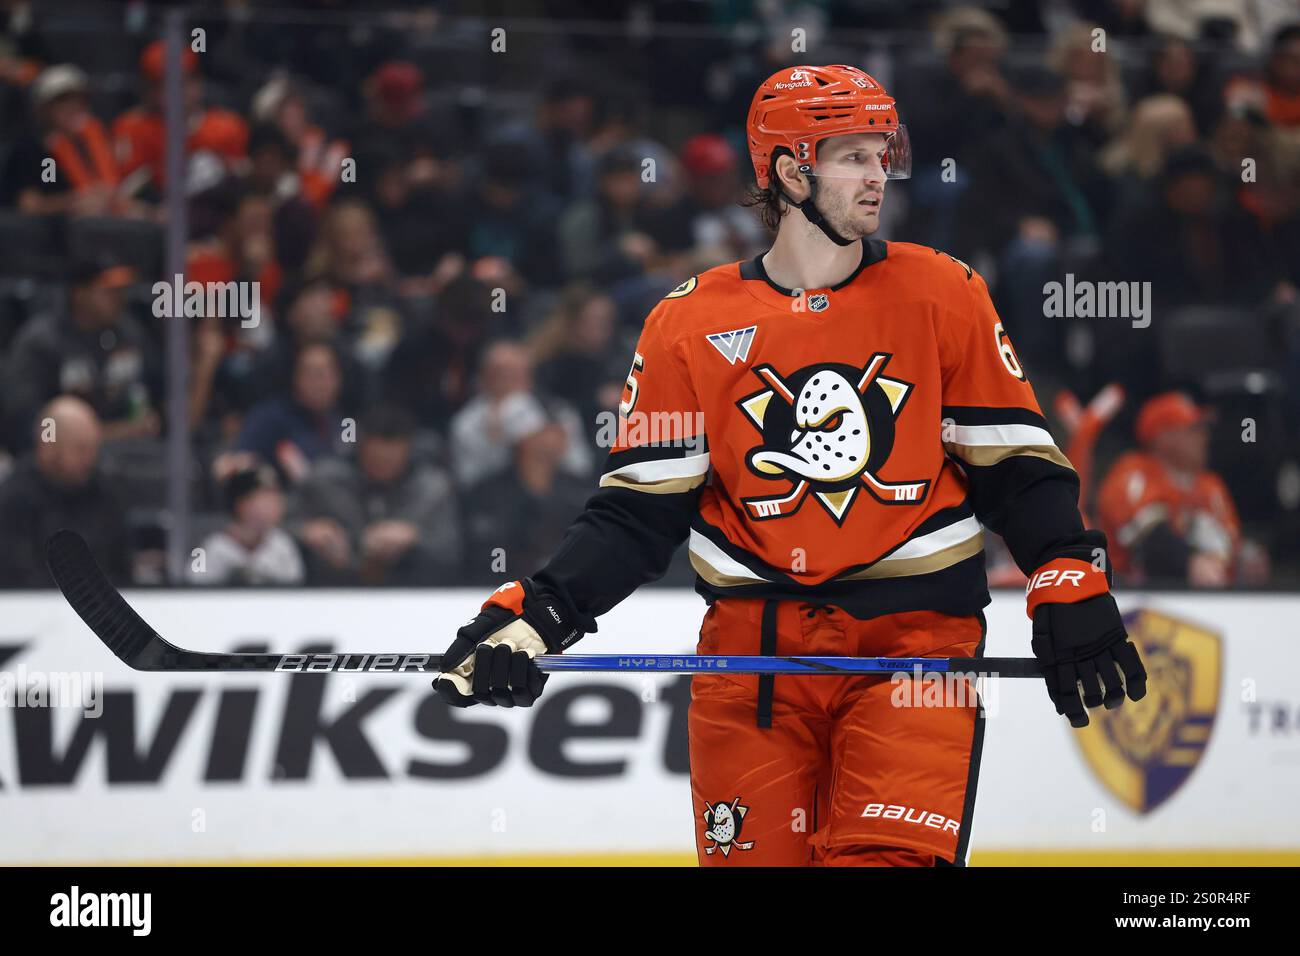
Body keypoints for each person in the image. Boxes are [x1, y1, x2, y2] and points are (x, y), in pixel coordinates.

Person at [434, 64, 1148, 868]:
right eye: (854, 156)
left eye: (884, 153)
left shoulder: (943, 293)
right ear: (788, 169)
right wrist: (540, 613)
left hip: (913, 651)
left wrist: (1066, 573)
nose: (880, 174)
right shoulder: (687, 323)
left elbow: (1016, 464)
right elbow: (638, 513)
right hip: (752, 659)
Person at [1096, 391, 1257, 587]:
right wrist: (1191, 562)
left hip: (1211, 601)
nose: (1204, 436)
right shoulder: (1132, 472)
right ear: (1163, 436)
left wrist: (1246, 559)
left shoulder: (1211, 485)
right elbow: (1149, 537)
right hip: (1134, 598)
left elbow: (1230, 544)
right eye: (1194, 429)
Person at [0, 396, 129, 587]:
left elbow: (123, 570)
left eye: (94, 449)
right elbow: (15, 575)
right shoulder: (14, 498)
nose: (90, 459)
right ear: (49, 448)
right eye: (81, 449)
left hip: (99, 608)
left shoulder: (106, 493)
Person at [192, 463, 304, 586]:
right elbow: (193, 593)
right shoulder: (209, 548)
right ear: (242, 504)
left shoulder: (282, 545)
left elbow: (294, 594)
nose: (276, 505)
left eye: (277, 498)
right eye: (266, 498)